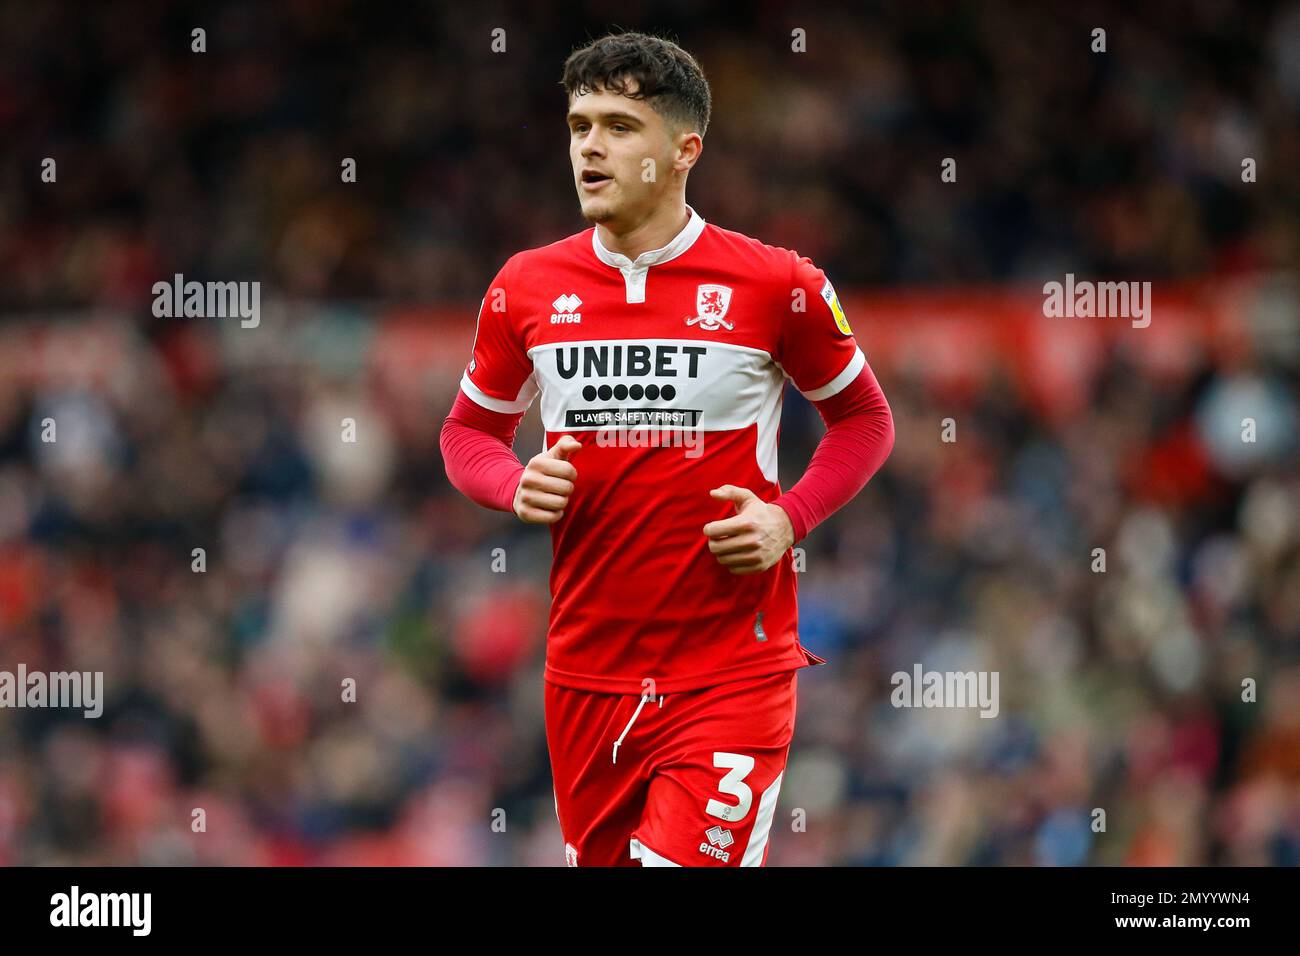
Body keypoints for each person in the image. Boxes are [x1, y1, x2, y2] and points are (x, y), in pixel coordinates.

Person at [440, 30, 894, 866]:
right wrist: (511, 483)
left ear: (684, 150)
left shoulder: (777, 285)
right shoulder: (524, 286)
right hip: (586, 678)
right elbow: (468, 433)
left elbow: (866, 420)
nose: (589, 148)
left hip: (730, 673)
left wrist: (788, 520)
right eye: (579, 126)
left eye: (618, 126)